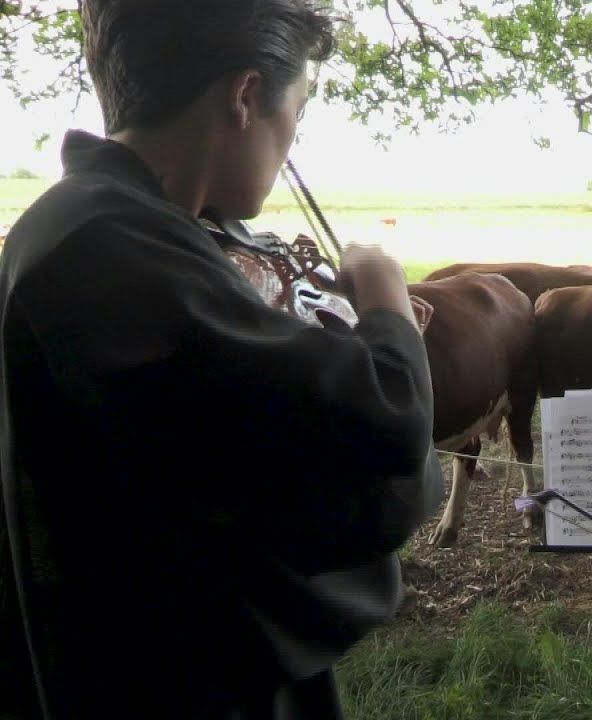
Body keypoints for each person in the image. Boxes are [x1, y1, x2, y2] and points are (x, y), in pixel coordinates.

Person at [0, 1, 444, 718]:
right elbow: (385, 438)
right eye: (296, 111)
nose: (290, 142)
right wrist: (387, 300)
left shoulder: (106, 223)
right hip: (170, 687)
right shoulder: (110, 246)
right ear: (244, 97)